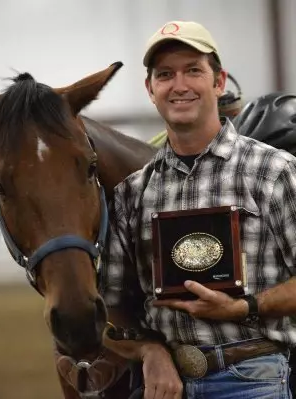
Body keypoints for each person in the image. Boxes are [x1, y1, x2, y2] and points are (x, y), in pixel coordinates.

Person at [99, 20, 296, 399]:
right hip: (165, 386)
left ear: (219, 81)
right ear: (150, 89)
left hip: (254, 379)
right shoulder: (132, 194)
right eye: (165, 74)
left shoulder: (274, 171)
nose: (180, 85)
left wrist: (244, 308)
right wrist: (149, 350)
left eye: (193, 70)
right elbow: (111, 309)